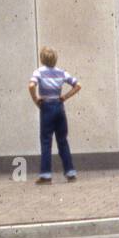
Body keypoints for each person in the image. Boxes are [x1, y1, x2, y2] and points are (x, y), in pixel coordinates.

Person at [28, 46, 81, 183]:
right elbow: (78, 85)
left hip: (46, 107)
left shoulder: (39, 72)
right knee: (62, 141)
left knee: (46, 142)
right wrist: (64, 97)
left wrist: (36, 99)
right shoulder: (61, 72)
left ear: (42, 59)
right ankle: (70, 172)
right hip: (59, 106)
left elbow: (31, 86)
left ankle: (46, 175)